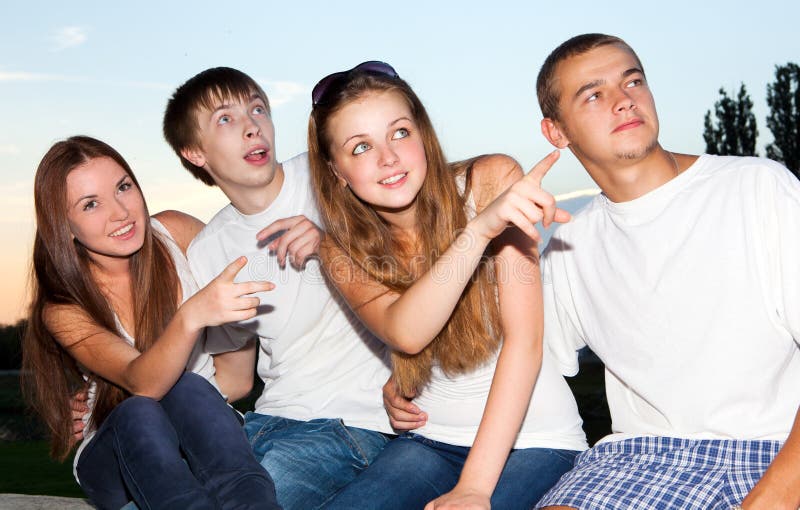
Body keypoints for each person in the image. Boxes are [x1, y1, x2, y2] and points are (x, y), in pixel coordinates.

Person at [531, 34, 800, 510]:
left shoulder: (758, 187)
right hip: (639, 455)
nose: (623, 100)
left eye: (633, 80)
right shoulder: (571, 241)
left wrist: (775, 496)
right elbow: (520, 361)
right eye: (594, 94)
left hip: (776, 445)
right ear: (557, 133)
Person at [307, 61, 588, 510]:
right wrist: (477, 233)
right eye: (360, 147)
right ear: (336, 170)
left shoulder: (489, 181)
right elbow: (406, 331)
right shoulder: (338, 250)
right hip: (430, 439)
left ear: (423, 134)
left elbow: (526, 341)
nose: (388, 158)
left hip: (536, 439)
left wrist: (474, 487)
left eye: (399, 132)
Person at [162, 67, 395, 510]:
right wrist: (111, 402)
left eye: (257, 108)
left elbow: (413, 260)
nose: (253, 125)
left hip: (348, 425)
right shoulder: (210, 251)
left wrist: (332, 247)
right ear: (195, 152)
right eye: (226, 119)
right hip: (263, 423)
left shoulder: (330, 173)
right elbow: (234, 376)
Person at [21, 136, 281, 510]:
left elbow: (237, 382)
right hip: (119, 452)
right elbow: (141, 383)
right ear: (65, 227)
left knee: (188, 389)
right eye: (91, 204)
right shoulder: (64, 308)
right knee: (141, 410)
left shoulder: (176, 233)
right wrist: (190, 315)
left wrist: (188, 416)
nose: (120, 213)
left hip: (204, 430)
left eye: (123, 187)